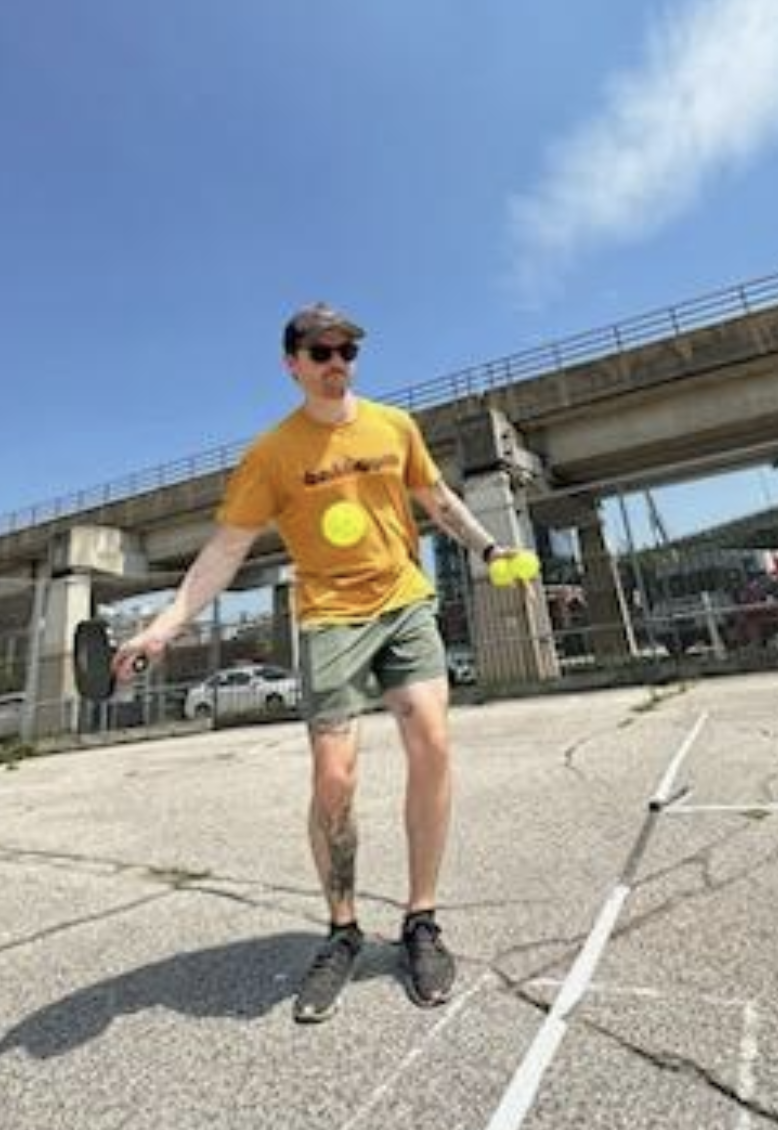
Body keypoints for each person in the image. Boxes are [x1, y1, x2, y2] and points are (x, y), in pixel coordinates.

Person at [114, 302, 520, 1023]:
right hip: (329, 618)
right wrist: (165, 625)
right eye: (321, 351)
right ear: (292, 364)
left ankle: (421, 920)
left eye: (347, 351)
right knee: (334, 778)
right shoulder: (272, 454)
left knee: (431, 741)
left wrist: (489, 549)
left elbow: (436, 497)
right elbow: (225, 550)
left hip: (404, 603)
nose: (337, 362)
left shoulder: (395, 427)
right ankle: (342, 928)